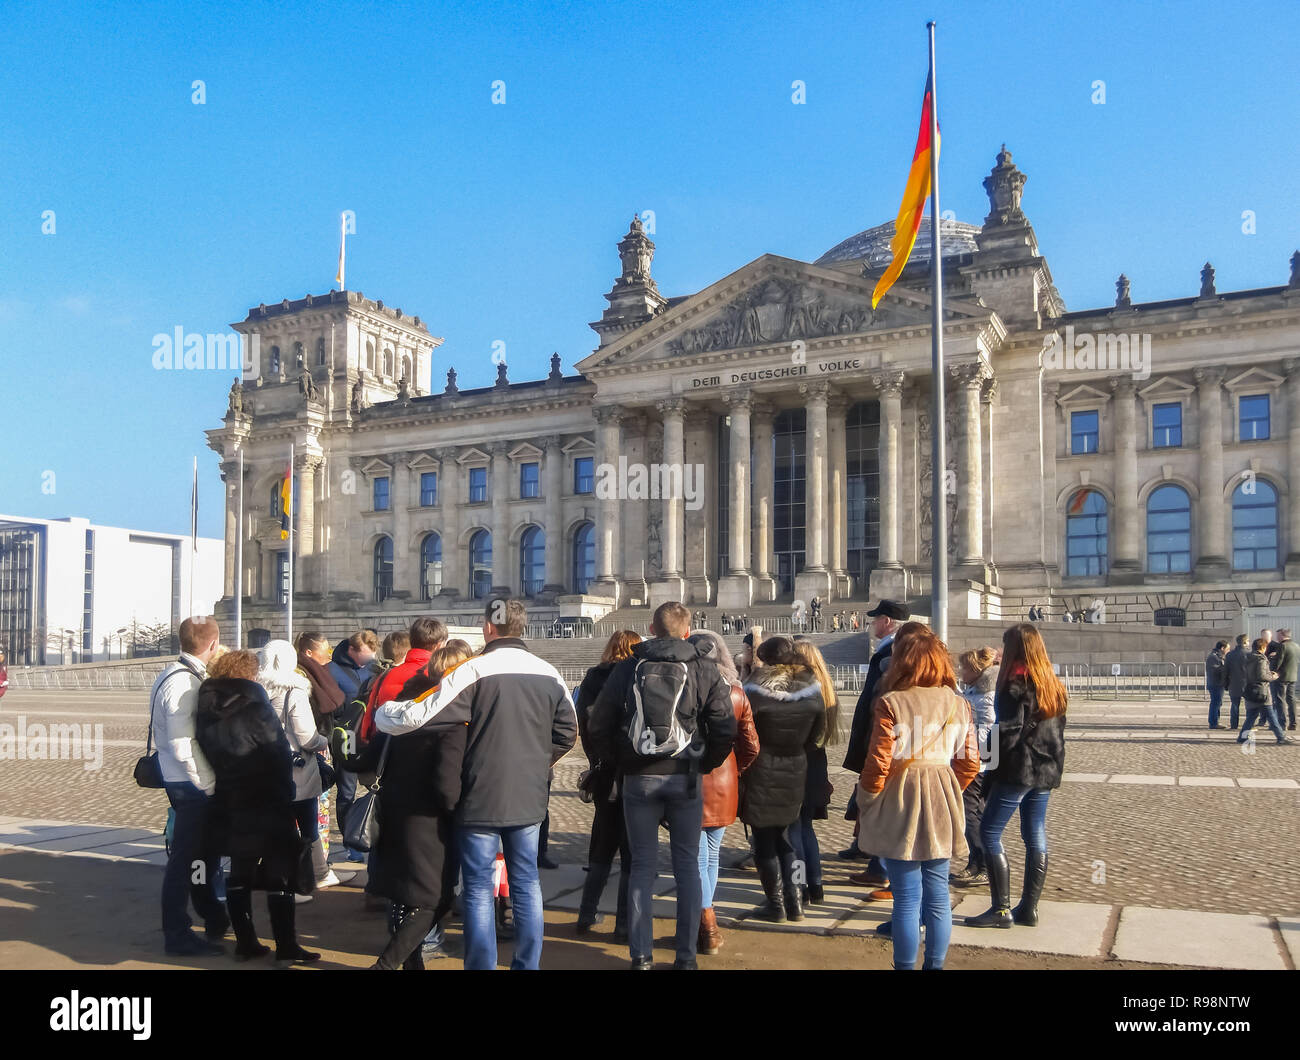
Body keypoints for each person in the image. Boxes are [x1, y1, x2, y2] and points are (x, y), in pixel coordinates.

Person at [377, 599, 576, 970]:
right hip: (528, 797)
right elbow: (568, 733)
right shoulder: (550, 673)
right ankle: (527, 964)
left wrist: (384, 714)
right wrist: (535, 763)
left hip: (480, 796)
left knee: (479, 888)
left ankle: (481, 965)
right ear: (522, 627)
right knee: (526, 882)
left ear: (488, 628)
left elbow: (422, 714)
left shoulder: (472, 672)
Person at [587, 601, 736, 970]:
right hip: (684, 776)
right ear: (688, 632)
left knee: (641, 868)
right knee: (687, 867)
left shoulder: (628, 667)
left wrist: (620, 760)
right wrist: (705, 763)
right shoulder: (703, 667)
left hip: (638, 778)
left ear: (652, 630)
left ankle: (641, 956)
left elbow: (598, 722)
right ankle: (685, 958)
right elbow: (724, 726)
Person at [857, 627, 979, 969]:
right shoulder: (959, 703)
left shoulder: (891, 701)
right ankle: (935, 965)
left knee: (907, 899)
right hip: (942, 788)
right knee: (938, 895)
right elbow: (970, 761)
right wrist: (948, 789)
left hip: (901, 795)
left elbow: (878, 761)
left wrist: (868, 800)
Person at [196, 649, 318, 962]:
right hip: (266, 798)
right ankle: (286, 945)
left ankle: (245, 942)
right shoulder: (254, 705)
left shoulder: (206, 705)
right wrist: (286, 790)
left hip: (230, 797)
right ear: (250, 675)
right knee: (280, 873)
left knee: (240, 871)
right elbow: (276, 751)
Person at [360, 640, 472, 970]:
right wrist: (458, 813)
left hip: (393, 811)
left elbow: (367, 757)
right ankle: (386, 965)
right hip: (429, 821)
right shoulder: (451, 722)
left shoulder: (403, 705)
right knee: (434, 901)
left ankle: (412, 965)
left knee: (403, 896)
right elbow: (446, 783)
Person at [967, 624, 1068, 929]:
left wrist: (985, 757)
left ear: (1014, 649)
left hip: (1019, 769)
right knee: (1034, 833)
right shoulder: (1052, 683)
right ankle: (1029, 908)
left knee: (989, 832)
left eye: (1003, 645)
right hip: (1046, 767)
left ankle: (1000, 910)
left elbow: (1008, 731)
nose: (999, 651)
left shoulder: (1015, 683)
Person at [153, 616, 227, 956]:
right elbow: (184, 744)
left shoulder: (171, 674)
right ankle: (176, 931)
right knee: (185, 861)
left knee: (200, 856)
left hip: (181, 779)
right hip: (189, 783)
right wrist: (208, 784)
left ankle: (210, 913)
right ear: (212, 644)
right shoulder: (184, 683)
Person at [740, 636, 825, 923]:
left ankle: (775, 904)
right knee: (789, 838)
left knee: (765, 841)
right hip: (796, 766)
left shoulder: (754, 690)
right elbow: (817, 737)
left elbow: (742, 734)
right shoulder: (813, 690)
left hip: (761, 768)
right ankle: (796, 903)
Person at [690, 628, 760, 956]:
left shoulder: (684, 689)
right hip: (723, 781)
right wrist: (734, 769)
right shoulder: (736, 692)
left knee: (699, 855)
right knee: (712, 854)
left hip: (690, 780)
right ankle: (706, 918)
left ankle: (706, 922)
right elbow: (751, 746)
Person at [572, 630, 642, 940]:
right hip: (633, 771)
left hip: (603, 772)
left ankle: (586, 915)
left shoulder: (593, 677)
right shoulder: (639, 676)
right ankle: (624, 924)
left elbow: (584, 726)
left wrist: (596, 759)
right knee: (631, 851)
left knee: (601, 845)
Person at [257, 640, 339, 893]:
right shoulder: (295, 691)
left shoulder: (259, 691)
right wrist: (325, 741)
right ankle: (307, 877)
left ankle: (291, 876)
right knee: (307, 826)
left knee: (278, 825)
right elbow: (307, 736)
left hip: (269, 768)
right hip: (298, 768)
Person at [840, 599, 908, 879]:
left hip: (880, 736)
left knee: (878, 797)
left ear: (887, 622)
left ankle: (878, 863)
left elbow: (879, 701)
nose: (871, 624)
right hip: (878, 733)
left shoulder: (890, 654)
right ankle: (865, 845)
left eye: (875, 619)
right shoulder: (887, 651)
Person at [789, 639, 838, 906]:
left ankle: (799, 886)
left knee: (794, 828)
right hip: (817, 763)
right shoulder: (825, 687)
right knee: (806, 827)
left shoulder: (803, 690)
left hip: (798, 763)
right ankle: (816, 885)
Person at [951, 647, 999, 887]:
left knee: (970, 813)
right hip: (973, 758)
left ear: (975, 670)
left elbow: (988, 729)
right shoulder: (975, 690)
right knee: (972, 812)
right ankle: (975, 861)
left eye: (964, 668)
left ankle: (984, 864)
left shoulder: (987, 695)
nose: (961, 672)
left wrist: (972, 753)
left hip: (977, 762)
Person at [360, 618, 448, 741]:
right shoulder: (438, 676)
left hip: (386, 748)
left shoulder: (385, 675)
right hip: (421, 748)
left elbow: (368, 721)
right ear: (439, 645)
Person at [1236, 638, 1294, 745]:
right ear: (1262, 647)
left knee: (1251, 716)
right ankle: (1281, 737)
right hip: (1262, 691)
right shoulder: (1261, 659)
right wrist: (1273, 676)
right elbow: (1261, 675)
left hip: (1250, 690)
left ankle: (1242, 737)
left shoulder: (1247, 657)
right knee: (1271, 716)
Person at [1273, 629, 1299, 731]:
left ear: (1282, 635)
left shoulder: (1282, 646)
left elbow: (1279, 661)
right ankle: (1293, 723)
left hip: (1282, 677)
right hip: (1293, 676)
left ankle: (1282, 724)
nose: (1277, 638)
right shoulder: (1296, 646)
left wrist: (1274, 671)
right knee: (1291, 700)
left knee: (1280, 700)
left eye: (1278, 636)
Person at [1224, 633, 1250, 731]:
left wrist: (1226, 684)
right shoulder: (1249, 654)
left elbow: (1225, 671)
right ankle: (1248, 724)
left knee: (1235, 705)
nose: (1249, 642)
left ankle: (1234, 724)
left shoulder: (1230, 655)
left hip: (1234, 683)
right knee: (1249, 705)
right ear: (1245, 642)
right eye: (1248, 641)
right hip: (1247, 683)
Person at [1205, 640, 1229, 729]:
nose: (1228, 651)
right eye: (1227, 649)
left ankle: (1215, 721)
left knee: (1218, 703)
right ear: (1222, 648)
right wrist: (1226, 668)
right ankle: (1213, 722)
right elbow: (1215, 670)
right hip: (1215, 683)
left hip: (1217, 683)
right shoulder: (1213, 657)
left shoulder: (1218, 656)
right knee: (1216, 703)